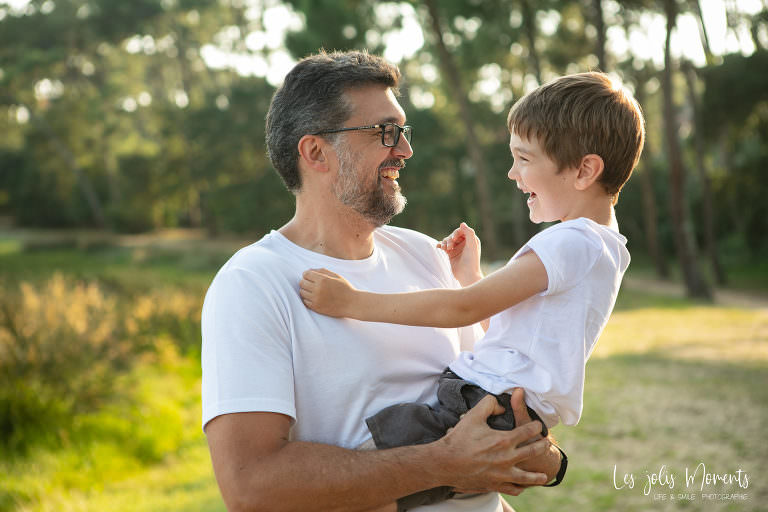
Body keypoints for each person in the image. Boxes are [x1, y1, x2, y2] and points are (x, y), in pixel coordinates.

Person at [201, 49, 564, 512]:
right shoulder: (252, 285)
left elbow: (497, 402)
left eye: (404, 131)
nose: (406, 150)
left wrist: (548, 459)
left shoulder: (425, 255)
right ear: (316, 152)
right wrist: (444, 464)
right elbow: (251, 486)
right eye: (385, 133)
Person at [299, 72, 645, 510]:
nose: (513, 172)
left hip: (484, 405)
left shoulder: (571, 241)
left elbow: (463, 309)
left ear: (584, 170)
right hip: (503, 406)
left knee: (367, 473)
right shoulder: (601, 247)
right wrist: (472, 274)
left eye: (524, 158)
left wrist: (351, 302)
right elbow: (514, 330)